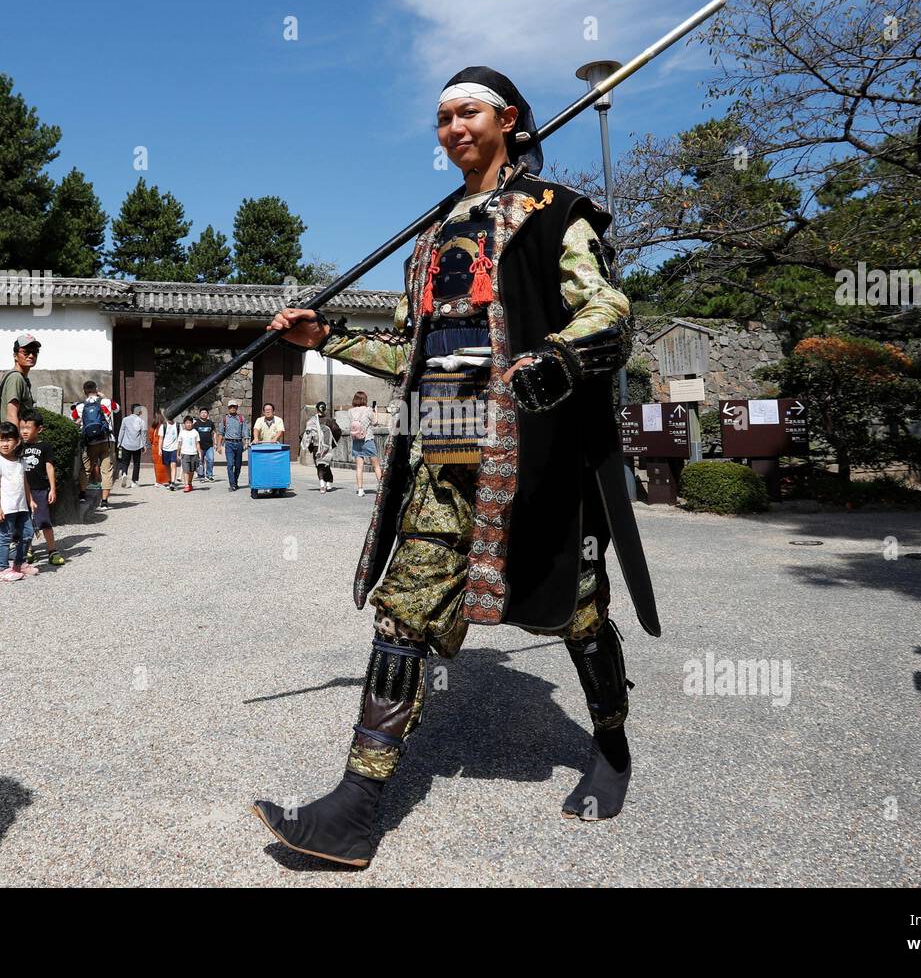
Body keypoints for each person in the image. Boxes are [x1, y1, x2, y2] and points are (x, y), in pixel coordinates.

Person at [252, 65, 661, 867]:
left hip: (532, 451)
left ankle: (610, 745)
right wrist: (324, 337)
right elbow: (408, 353)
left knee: (575, 610)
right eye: (441, 118)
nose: (452, 129)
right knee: (402, 616)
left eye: (466, 112)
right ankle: (355, 808)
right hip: (441, 447)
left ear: (507, 119)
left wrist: (555, 356)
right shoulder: (433, 233)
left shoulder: (556, 213)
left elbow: (610, 310)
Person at [0, 333, 40, 560]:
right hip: (11, 447)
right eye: (26, 351)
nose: (31, 355)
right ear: (15, 354)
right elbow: (11, 413)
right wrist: (16, 446)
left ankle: (6, 546)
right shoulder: (16, 378)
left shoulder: (21, 378)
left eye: (34, 352)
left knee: (12, 496)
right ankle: (0, 548)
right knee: (8, 497)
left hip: (9, 446)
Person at [0, 422, 37, 581]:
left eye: (9, 440)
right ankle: (2, 569)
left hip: (21, 507)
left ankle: (19, 563)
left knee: (28, 534)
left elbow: (25, 483)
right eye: (1, 440)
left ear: (17, 441)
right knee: (5, 538)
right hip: (6, 508)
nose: (5, 444)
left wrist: (30, 500)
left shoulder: (21, 462)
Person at [19, 410, 65, 567]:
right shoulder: (18, 446)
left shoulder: (45, 446)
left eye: (28, 427)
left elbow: (49, 467)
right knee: (24, 521)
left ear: (39, 429)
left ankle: (52, 550)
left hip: (40, 489)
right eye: (22, 427)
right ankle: (28, 550)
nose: (24, 431)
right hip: (22, 491)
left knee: (44, 520)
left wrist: (52, 488)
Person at [69, 381, 119, 510]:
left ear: (84, 391)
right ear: (96, 389)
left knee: (86, 468)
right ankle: (104, 502)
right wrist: (104, 396)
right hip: (107, 440)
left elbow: (72, 418)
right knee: (106, 470)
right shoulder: (105, 402)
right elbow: (117, 408)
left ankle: (82, 495)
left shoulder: (80, 406)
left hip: (90, 442)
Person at [347, 390, 382, 498]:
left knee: (359, 467)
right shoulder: (368, 410)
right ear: (364, 399)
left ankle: (360, 490)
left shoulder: (350, 411)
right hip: (368, 439)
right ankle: (381, 488)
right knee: (376, 466)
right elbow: (375, 422)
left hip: (356, 440)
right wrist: (375, 411)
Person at [303, 400, 340, 493]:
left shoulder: (312, 420)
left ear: (316, 409)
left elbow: (307, 433)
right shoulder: (330, 420)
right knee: (326, 464)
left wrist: (306, 444)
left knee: (319, 465)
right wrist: (332, 441)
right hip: (327, 446)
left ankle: (322, 484)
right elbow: (337, 431)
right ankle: (327, 483)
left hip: (317, 446)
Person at [219, 400, 248, 490]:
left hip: (239, 443)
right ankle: (232, 484)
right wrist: (219, 445)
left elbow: (245, 431)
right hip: (229, 444)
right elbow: (220, 433)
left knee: (238, 466)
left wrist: (246, 441)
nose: (232, 408)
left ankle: (235, 481)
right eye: (231, 407)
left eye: (234, 406)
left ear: (237, 408)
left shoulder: (241, 418)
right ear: (228, 408)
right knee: (230, 464)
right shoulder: (225, 419)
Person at [117, 404, 148, 487]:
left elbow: (121, 431)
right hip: (137, 445)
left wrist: (119, 442)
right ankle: (134, 481)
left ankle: (124, 473)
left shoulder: (125, 420)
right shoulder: (142, 421)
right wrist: (144, 445)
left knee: (125, 462)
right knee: (136, 463)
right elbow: (143, 434)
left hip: (125, 444)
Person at [177, 415, 202, 493]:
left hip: (194, 454)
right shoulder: (182, 433)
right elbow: (179, 444)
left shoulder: (195, 432)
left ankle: (190, 483)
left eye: (190, 423)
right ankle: (186, 485)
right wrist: (178, 452)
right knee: (185, 470)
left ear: (192, 423)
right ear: (184, 424)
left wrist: (199, 453)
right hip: (185, 454)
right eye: (187, 423)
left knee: (191, 471)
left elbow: (197, 443)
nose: (188, 424)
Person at [156, 411, 181, 489]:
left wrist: (180, 449)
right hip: (165, 449)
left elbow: (180, 439)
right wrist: (159, 449)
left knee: (173, 464)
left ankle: (173, 483)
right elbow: (160, 439)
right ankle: (169, 481)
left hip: (174, 448)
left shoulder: (178, 425)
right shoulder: (163, 426)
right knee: (167, 466)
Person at [193, 408, 217, 483]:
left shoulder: (211, 423)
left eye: (205, 412)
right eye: (202, 412)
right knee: (200, 461)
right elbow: (193, 434)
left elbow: (215, 433)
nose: (204, 414)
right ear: (199, 414)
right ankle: (201, 476)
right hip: (200, 446)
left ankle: (209, 475)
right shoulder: (196, 424)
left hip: (209, 445)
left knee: (211, 460)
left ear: (207, 414)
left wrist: (215, 443)